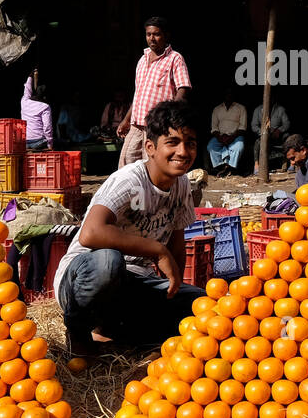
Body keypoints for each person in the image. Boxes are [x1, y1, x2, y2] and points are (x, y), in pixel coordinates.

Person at [53, 100, 205, 357]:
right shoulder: (130, 180)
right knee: (108, 262)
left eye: (190, 143)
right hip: (86, 277)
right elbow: (91, 233)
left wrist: (174, 290)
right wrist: (157, 250)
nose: (182, 151)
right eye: (173, 142)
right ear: (150, 147)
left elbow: (176, 246)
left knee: (201, 305)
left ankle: (114, 331)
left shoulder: (181, 187)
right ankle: (78, 333)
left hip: (132, 284)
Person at [117, 17, 192, 168]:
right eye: (148, 34)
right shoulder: (142, 60)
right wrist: (126, 120)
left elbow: (183, 89)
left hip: (158, 125)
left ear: (166, 36)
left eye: (156, 34)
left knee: (153, 166)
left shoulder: (174, 59)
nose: (152, 38)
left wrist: (170, 117)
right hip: (136, 125)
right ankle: (133, 192)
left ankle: (154, 193)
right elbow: (138, 94)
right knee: (126, 164)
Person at [207, 88, 248, 176]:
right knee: (211, 146)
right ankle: (221, 167)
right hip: (220, 136)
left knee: (239, 147)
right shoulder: (217, 109)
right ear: (223, 96)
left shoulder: (240, 108)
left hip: (236, 136)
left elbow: (243, 127)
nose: (228, 96)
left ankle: (231, 168)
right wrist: (220, 137)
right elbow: (214, 127)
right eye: (226, 94)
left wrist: (232, 137)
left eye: (230, 94)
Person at [251, 100, 291, 170]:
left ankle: (289, 162)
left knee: (287, 137)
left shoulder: (280, 109)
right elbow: (254, 126)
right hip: (263, 135)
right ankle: (256, 166)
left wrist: (279, 130)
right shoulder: (258, 110)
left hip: (277, 135)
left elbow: (287, 123)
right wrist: (264, 132)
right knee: (257, 142)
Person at [22, 69, 54, 151]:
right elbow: (47, 127)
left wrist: (30, 76)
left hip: (25, 142)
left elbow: (27, 89)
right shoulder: (45, 106)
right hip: (38, 142)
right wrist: (50, 144)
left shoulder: (24, 102)